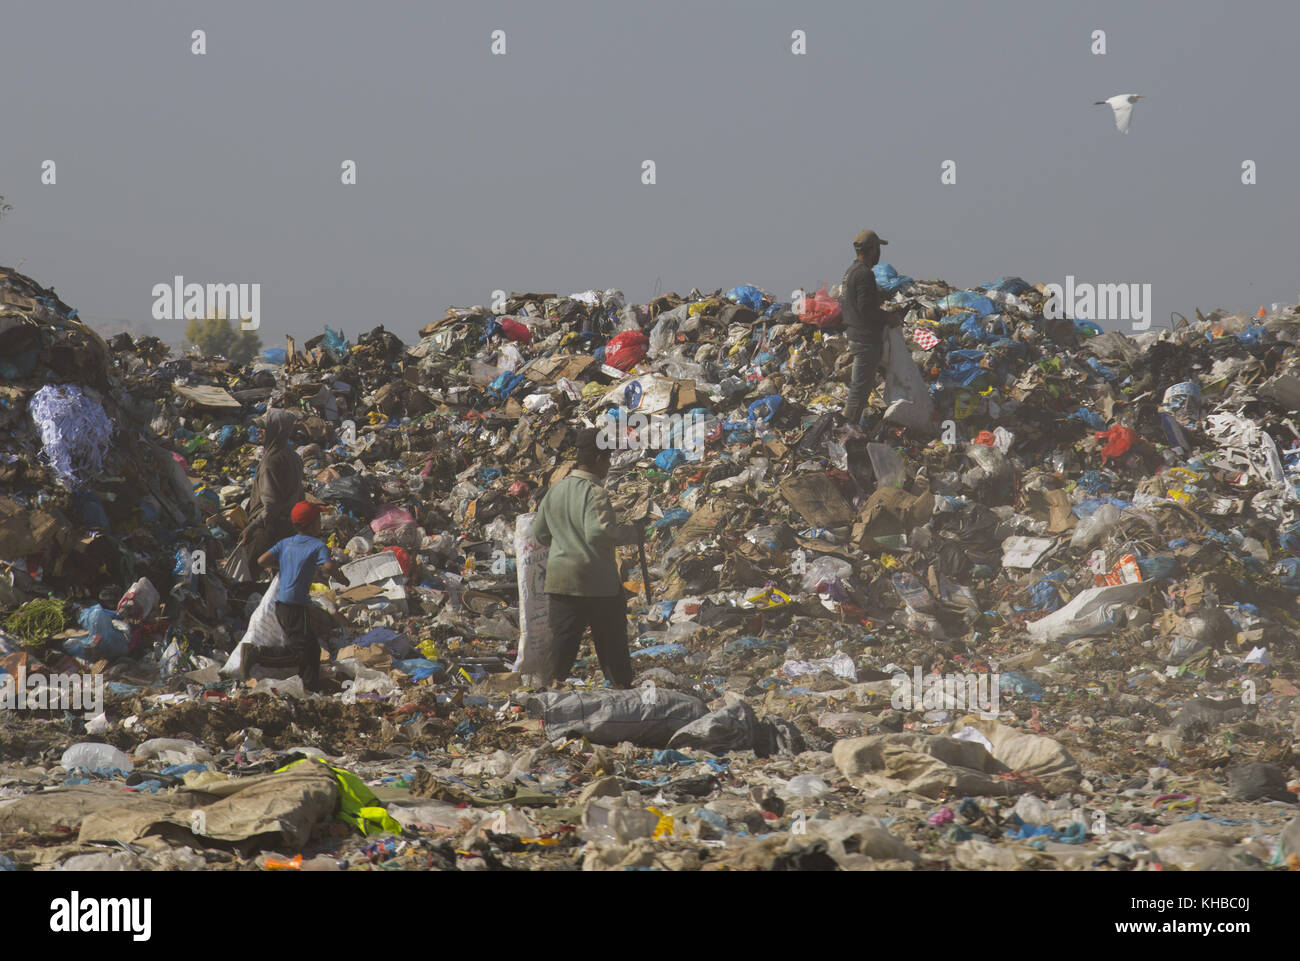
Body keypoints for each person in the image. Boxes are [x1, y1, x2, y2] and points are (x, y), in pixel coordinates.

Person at [531, 429, 640, 688]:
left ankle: (549, 690)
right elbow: (599, 533)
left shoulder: (554, 491)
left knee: (563, 639)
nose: (610, 464)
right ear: (600, 459)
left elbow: (540, 533)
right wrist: (633, 533)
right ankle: (622, 688)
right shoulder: (594, 492)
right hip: (595, 581)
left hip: (559, 578)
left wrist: (563, 544)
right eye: (609, 458)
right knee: (611, 639)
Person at [248, 501, 344, 691]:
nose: (321, 523)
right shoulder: (317, 545)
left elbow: (262, 560)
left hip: (281, 605)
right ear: (313, 523)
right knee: (304, 649)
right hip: (296, 606)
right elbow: (328, 566)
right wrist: (343, 577)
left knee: (308, 647)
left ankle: (308, 687)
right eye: (319, 519)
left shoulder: (286, 542)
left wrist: (285, 564)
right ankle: (258, 655)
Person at [840, 229, 900, 425]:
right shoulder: (864, 274)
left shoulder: (851, 271)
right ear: (873, 249)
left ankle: (850, 426)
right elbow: (866, 309)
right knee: (860, 388)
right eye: (878, 248)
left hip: (856, 335)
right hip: (865, 339)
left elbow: (859, 302)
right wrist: (888, 318)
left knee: (862, 387)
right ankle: (846, 429)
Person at [240, 409, 305, 575]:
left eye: (264, 428)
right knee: (280, 577)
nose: (259, 431)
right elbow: (300, 495)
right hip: (288, 528)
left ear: (276, 431)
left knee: (248, 577)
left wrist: (251, 527)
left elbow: (271, 506)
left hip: (267, 528)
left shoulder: (271, 460)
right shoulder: (294, 457)